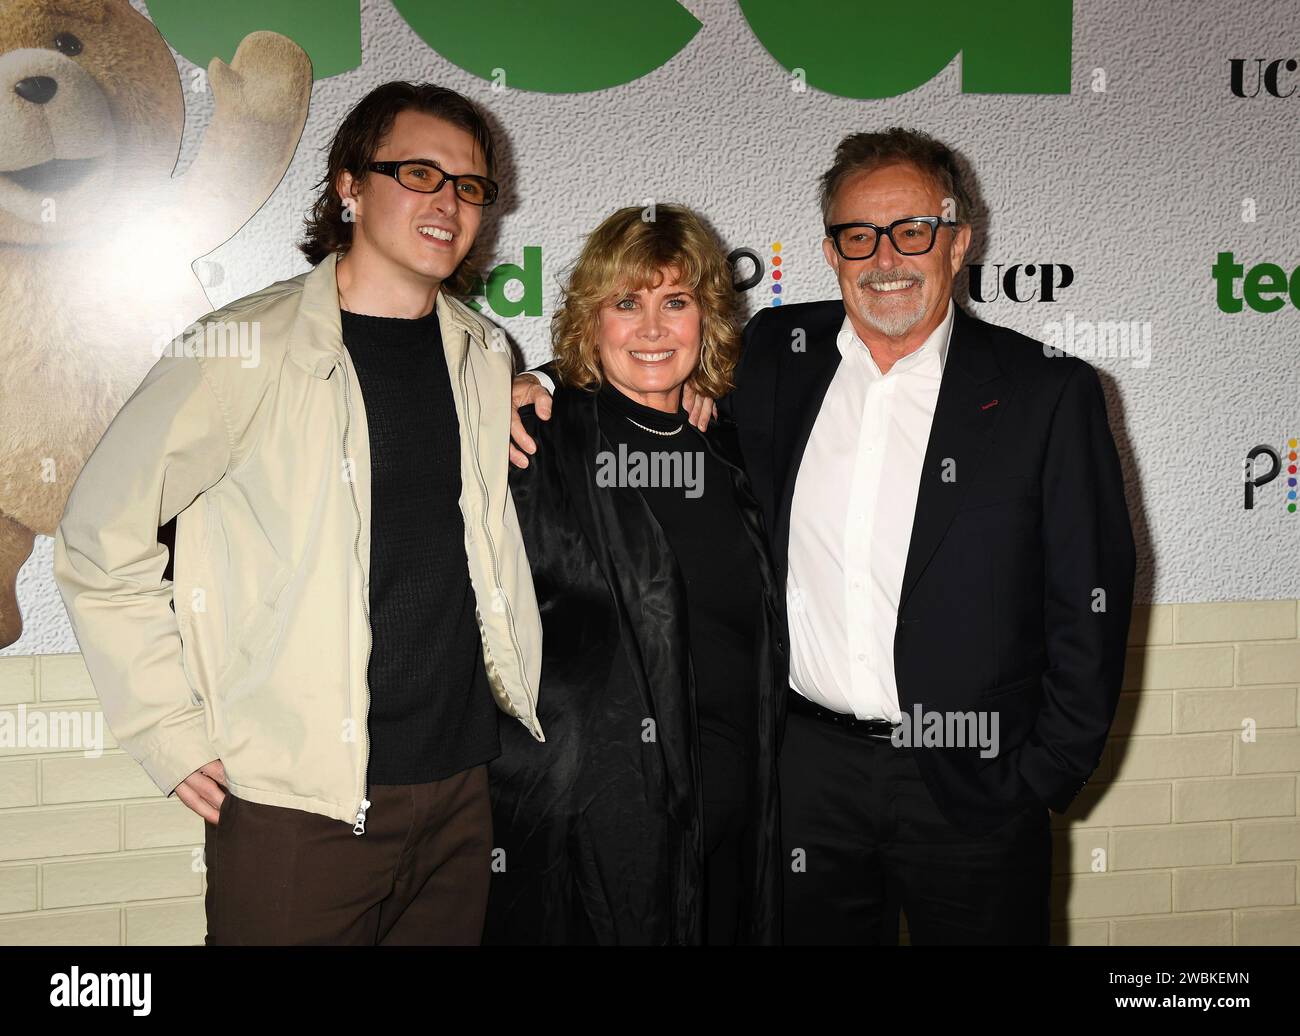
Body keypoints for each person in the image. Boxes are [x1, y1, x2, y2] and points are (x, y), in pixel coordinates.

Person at [511, 128, 1136, 945]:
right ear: (831, 250)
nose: (887, 257)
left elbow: (1091, 596)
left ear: (959, 241)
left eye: (913, 230)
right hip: (803, 779)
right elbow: (639, 358)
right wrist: (528, 378)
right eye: (858, 235)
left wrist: (1043, 774)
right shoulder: (778, 353)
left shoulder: (1046, 391)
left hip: (973, 783)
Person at [52, 82, 542, 945]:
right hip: (299, 805)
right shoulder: (241, 350)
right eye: (419, 173)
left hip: (462, 787)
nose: (447, 202)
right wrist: (166, 730)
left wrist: (546, 385)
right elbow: (101, 539)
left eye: (468, 186)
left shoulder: (484, 352)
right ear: (348, 186)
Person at [485, 204, 783, 945]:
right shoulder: (535, 444)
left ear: (707, 318)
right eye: (627, 303)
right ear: (592, 323)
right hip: (603, 834)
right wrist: (532, 381)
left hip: (738, 822)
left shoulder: (733, 448)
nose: (652, 329)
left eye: (675, 303)